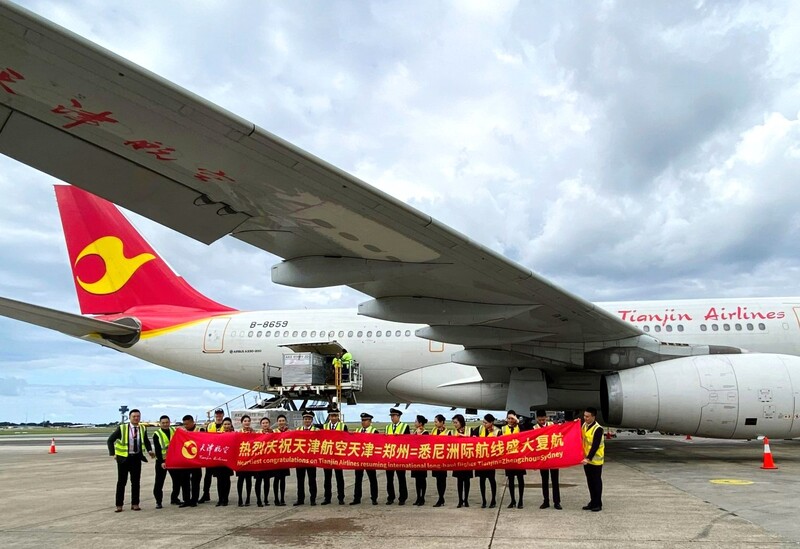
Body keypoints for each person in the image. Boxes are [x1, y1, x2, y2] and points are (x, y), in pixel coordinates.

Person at [106, 408, 155, 512]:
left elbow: (146, 441)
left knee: (136, 482)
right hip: (123, 459)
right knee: (121, 482)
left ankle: (135, 503)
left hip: (136, 458)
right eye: (134, 416)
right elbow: (110, 440)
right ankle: (119, 505)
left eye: (138, 416)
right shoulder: (122, 428)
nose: (136, 418)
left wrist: (150, 450)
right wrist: (113, 454)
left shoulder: (142, 428)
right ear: (129, 417)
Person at [152, 414, 182, 508]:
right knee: (159, 482)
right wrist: (162, 462)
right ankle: (158, 501)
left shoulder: (174, 431)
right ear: (160, 423)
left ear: (170, 422)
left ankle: (174, 498)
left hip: (173, 460)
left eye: (167, 422)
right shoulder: (157, 434)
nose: (165, 424)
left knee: (177, 481)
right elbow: (157, 450)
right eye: (163, 423)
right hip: (162, 461)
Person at [534, 410, 561, 510]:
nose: (541, 421)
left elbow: (562, 430)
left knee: (555, 481)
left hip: (553, 457)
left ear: (546, 418)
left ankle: (557, 502)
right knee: (544, 481)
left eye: (543, 419)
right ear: (537, 419)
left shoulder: (552, 425)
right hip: (542, 459)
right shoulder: (534, 428)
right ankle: (546, 501)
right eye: (540, 420)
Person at [351, 412, 379, 505]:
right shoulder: (358, 430)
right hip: (359, 459)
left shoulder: (374, 431)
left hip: (369, 459)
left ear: (370, 421)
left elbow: (377, 445)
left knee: (372, 479)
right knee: (358, 479)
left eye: (365, 420)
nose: (363, 422)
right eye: (362, 420)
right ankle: (357, 498)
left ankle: (374, 498)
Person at [321, 408, 348, 505]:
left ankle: (341, 498)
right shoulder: (324, 426)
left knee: (339, 478)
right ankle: (327, 498)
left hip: (338, 456)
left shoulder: (343, 426)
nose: (333, 417)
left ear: (338, 416)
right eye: (331, 415)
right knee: (327, 479)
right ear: (329, 416)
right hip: (327, 456)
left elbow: (347, 440)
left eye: (335, 415)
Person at [198, 408, 225, 504]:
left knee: (221, 477)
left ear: (223, 415)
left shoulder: (226, 425)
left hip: (222, 454)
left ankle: (223, 496)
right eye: (217, 414)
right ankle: (206, 494)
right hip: (211, 454)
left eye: (220, 414)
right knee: (207, 476)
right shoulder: (209, 426)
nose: (218, 416)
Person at [384, 407, 410, 505]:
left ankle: (402, 497)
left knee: (401, 478)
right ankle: (390, 497)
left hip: (399, 456)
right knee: (389, 479)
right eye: (391, 416)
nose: (392, 418)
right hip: (389, 456)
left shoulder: (405, 426)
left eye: (394, 416)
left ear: (398, 417)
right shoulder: (387, 427)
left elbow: (407, 441)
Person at [581, 407, 605, 512]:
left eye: (587, 416)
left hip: (595, 460)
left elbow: (595, 446)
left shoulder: (598, 429)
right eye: (584, 416)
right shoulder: (584, 425)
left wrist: (588, 458)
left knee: (596, 481)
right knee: (590, 482)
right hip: (586, 460)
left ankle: (598, 503)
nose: (585, 418)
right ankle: (593, 501)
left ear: (593, 417)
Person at [294, 411, 318, 506]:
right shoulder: (298, 429)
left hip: (311, 459)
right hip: (300, 459)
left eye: (309, 419)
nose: (307, 421)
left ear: (312, 420)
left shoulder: (316, 430)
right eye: (305, 419)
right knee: (300, 480)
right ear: (303, 420)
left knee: (312, 480)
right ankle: (300, 499)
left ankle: (313, 499)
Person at [502, 410, 525, 509]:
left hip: (519, 458)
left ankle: (520, 500)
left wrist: (518, 421)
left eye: (512, 418)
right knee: (510, 480)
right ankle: (512, 500)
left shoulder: (520, 427)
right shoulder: (503, 429)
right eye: (509, 418)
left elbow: (526, 433)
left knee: (520, 480)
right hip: (509, 459)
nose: (510, 420)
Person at [179, 414, 202, 507]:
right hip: (185, 460)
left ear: (193, 422)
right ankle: (186, 500)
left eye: (187, 424)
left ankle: (194, 500)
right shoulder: (181, 432)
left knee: (195, 481)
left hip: (196, 460)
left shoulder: (200, 430)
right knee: (184, 481)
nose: (186, 426)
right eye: (184, 424)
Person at [475, 413, 498, 509]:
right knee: (482, 480)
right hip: (481, 459)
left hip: (490, 460)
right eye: (483, 422)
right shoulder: (479, 429)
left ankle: (493, 499)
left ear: (491, 422)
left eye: (486, 423)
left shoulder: (497, 431)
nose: (484, 424)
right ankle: (483, 500)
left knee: (492, 480)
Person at [452, 414, 473, 508]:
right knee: (459, 481)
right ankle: (460, 500)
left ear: (461, 422)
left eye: (456, 422)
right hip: (458, 459)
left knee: (467, 481)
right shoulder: (453, 432)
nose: (454, 424)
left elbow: (474, 441)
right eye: (453, 423)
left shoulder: (469, 430)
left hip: (467, 458)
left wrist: (464, 437)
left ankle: (466, 499)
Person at [429, 414, 450, 507]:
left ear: (442, 422)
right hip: (435, 458)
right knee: (438, 479)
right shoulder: (433, 430)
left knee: (442, 479)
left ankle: (441, 498)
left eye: (436, 421)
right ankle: (441, 498)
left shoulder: (448, 432)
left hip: (443, 459)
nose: (435, 423)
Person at [215, 417, 235, 507]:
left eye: (228, 424)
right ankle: (220, 499)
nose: (227, 426)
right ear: (223, 425)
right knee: (219, 480)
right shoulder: (218, 434)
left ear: (231, 425)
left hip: (229, 460)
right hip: (219, 460)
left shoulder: (234, 434)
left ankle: (225, 498)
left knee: (227, 480)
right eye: (225, 424)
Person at [411, 415, 429, 506]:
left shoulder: (425, 432)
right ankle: (418, 497)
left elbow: (424, 444)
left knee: (422, 479)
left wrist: (417, 435)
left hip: (422, 459)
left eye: (416, 421)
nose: (414, 423)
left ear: (420, 423)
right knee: (417, 480)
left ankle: (423, 498)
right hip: (415, 459)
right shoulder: (414, 432)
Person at [272, 414, 290, 506]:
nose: (281, 422)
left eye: (283, 420)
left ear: (285, 421)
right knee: (276, 479)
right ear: (277, 422)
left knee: (283, 479)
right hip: (276, 459)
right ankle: (276, 499)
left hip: (285, 459)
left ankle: (282, 498)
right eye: (280, 421)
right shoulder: (273, 431)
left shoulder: (290, 432)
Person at [236, 415, 255, 506]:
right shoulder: (238, 433)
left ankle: (248, 498)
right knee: (240, 479)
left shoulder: (254, 433)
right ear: (242, 422)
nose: (247, 422)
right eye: (245, 421)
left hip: (250, 460)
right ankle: (240, 498)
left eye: (248, 421)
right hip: (241, 459)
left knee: (248, 480)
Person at [255, 416, 273, 507]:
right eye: (263, 423)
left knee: (267, 481)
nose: (265, 424)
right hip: (258, 461)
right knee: (258, 481)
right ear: (261, 425)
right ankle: (258, 500)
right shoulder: (256, 434)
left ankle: (266, 499)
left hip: (268, 461)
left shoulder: (273, 433)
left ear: (269, 424)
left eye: (266, 423)